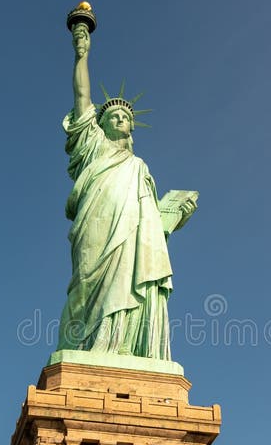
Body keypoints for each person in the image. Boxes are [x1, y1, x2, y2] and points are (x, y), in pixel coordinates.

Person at [56, 21, 196, 360]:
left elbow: (152, 223)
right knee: (86, 285)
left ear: (131, 126)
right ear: (100, 123)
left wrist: (173, 216)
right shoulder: (92, 145)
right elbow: (82, 98)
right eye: (113, 115)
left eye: (124, 116)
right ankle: (84, 346)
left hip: (134, 236)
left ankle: (124, 345)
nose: (119, 119)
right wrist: (81, 55)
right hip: (97, 223)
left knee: (132, 276)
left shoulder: (140, 168)